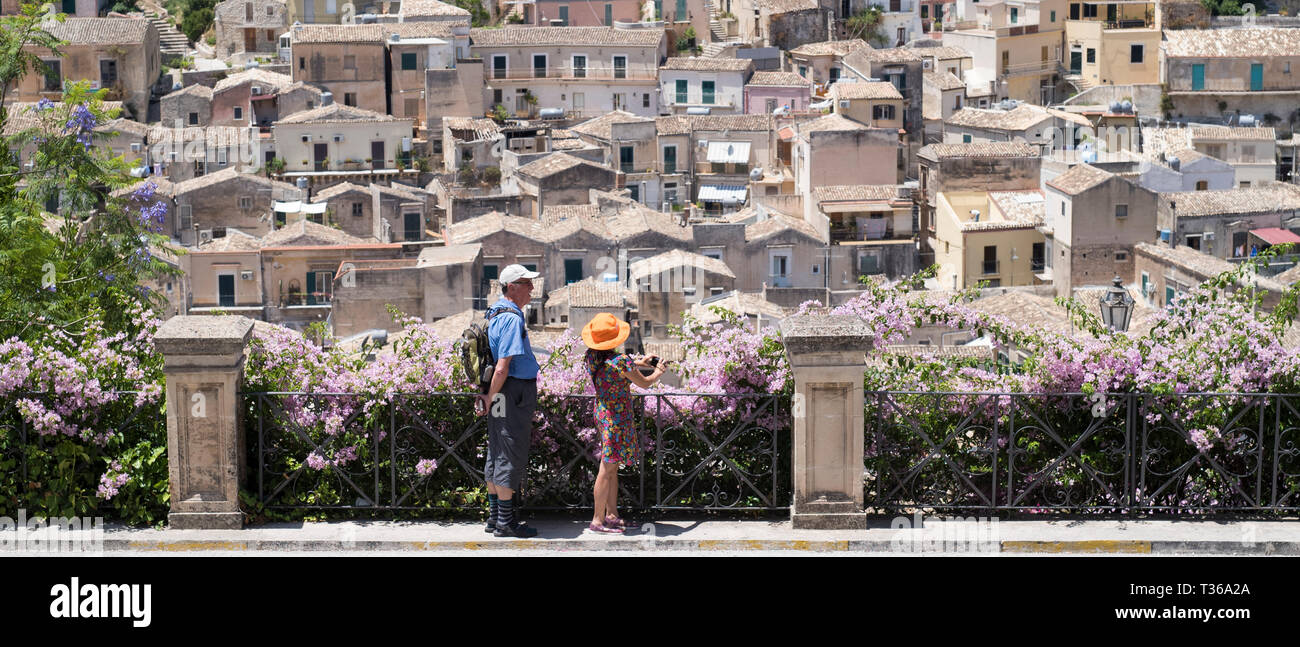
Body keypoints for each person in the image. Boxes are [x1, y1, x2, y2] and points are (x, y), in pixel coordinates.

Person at [580, 312, 665, 534]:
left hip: (603, 414)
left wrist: (639, 361)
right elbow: (644, 383)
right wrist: (657, 372)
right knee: (606, 469)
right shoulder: (621, 362)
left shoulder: (592, 357)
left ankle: (612, 515)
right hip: (617, 419)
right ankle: (598, 520)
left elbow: (615, 365)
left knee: (612, 467)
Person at [476, 264, 541, 538]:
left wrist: (489, 395)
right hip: (511, 391)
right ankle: (505, 522)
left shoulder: (495, 314)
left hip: (501, 391)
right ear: (512, 286)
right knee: (510, 451)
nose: (532, 288)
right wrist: (492, 397)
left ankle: (493, 518)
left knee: (497, 449)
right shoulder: (513, 318)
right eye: (527, 283)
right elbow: (503, 366)